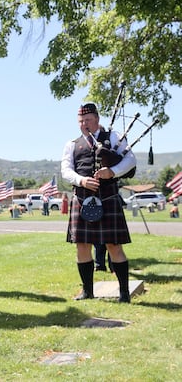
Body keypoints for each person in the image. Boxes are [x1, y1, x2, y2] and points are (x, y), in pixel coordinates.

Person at [61, 103, 136, 302]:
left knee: (114, 245)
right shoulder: (72, 144)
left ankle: (124, 293)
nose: (84, 124)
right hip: (82, 197)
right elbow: (66, 170)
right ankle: (87, 291)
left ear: (97, 119)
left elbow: (130, 161)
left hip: (108, 197)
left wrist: (112, 172)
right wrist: (82, 180)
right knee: (82, 245)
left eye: (88, 120)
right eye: (81, 121)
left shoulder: (113, 138)